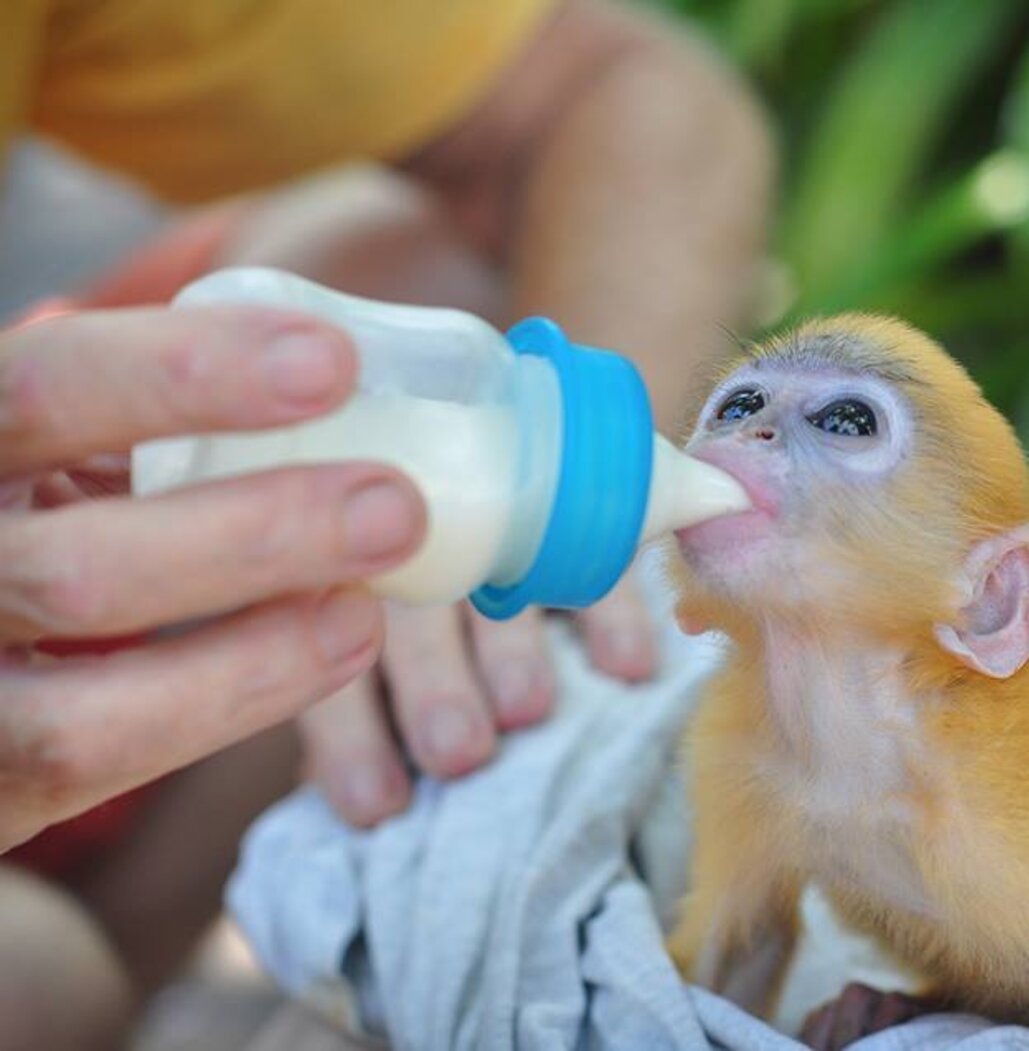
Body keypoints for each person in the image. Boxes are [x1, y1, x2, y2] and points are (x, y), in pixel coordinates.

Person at [0, 0, 773, 1046]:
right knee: (38, 981)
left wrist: (522, 505)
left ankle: (125, 944)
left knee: (416, 264)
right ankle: (84, 971)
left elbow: (630, 91)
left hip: (43, 507)